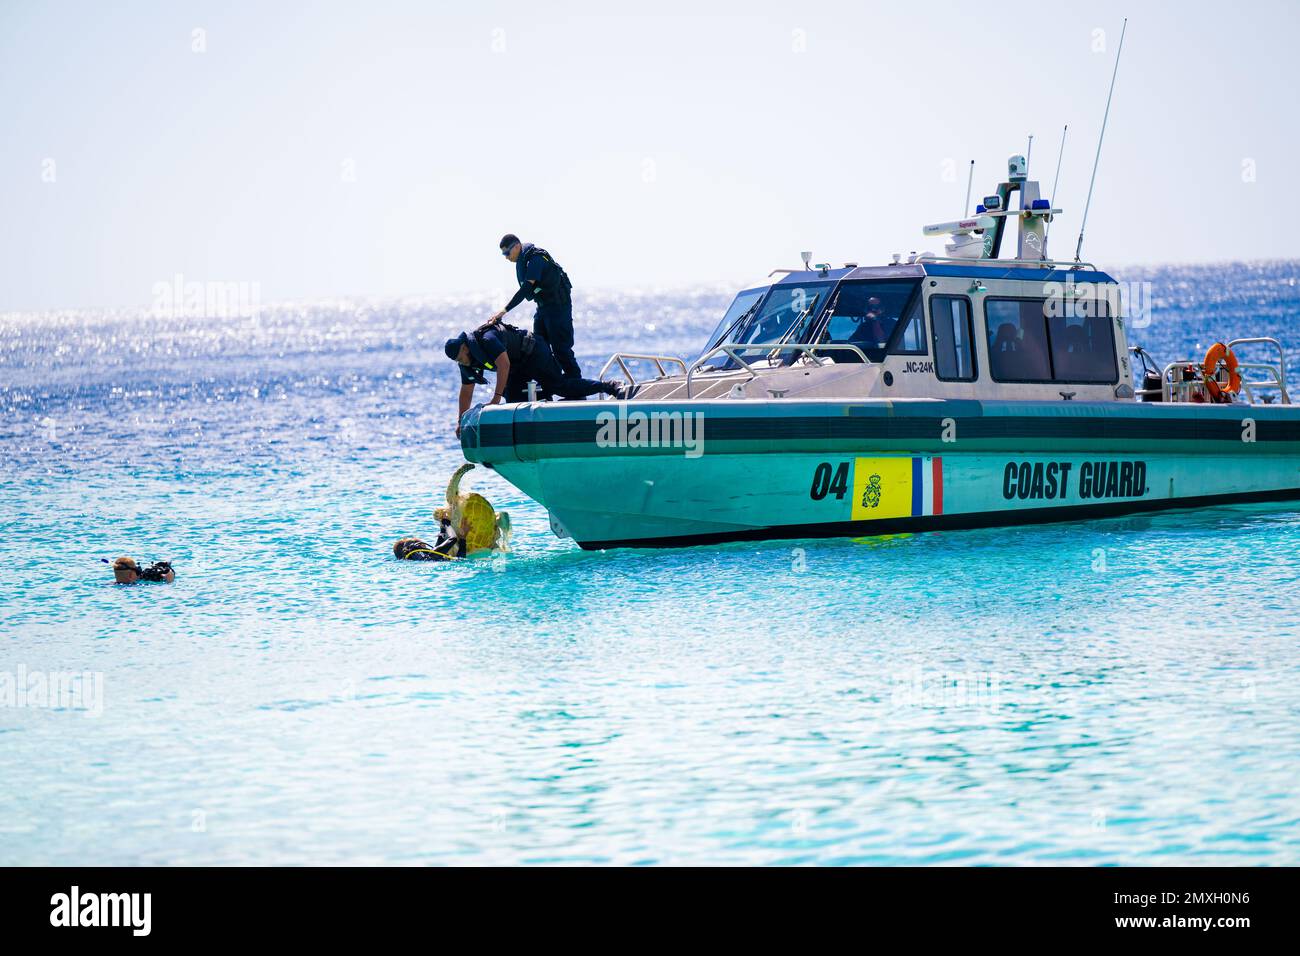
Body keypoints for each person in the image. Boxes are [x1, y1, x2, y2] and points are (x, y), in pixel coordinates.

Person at [445, 321, 621, 437]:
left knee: (558, 386)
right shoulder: (466, 362)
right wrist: (461, 422)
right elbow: (466, 393)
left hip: (533, 351)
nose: (461, 362)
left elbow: (503, 365)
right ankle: (530, 436)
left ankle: (608, 386)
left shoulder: (487, 339)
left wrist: (495, 399)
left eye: (460, 357)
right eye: (457, 361)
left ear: (465, 347)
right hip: (517, 367)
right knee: (513, 402)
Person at [490, 234, 582, 378]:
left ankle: (577, 389)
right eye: (503, 254)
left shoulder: (535, 259)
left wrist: (503, 311)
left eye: (507, 253)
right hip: (543, 308)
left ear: (517, 246)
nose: (506, 257)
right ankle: (551, 386)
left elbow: (525, 290)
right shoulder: (523, 261)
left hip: (558, 308)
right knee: (539, 347)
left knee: (561, 350)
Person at [109, 556, 175, 584]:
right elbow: (170, 577)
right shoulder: (140, 587)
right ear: (131, 575)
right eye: (138, 571)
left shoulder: (110, 585)